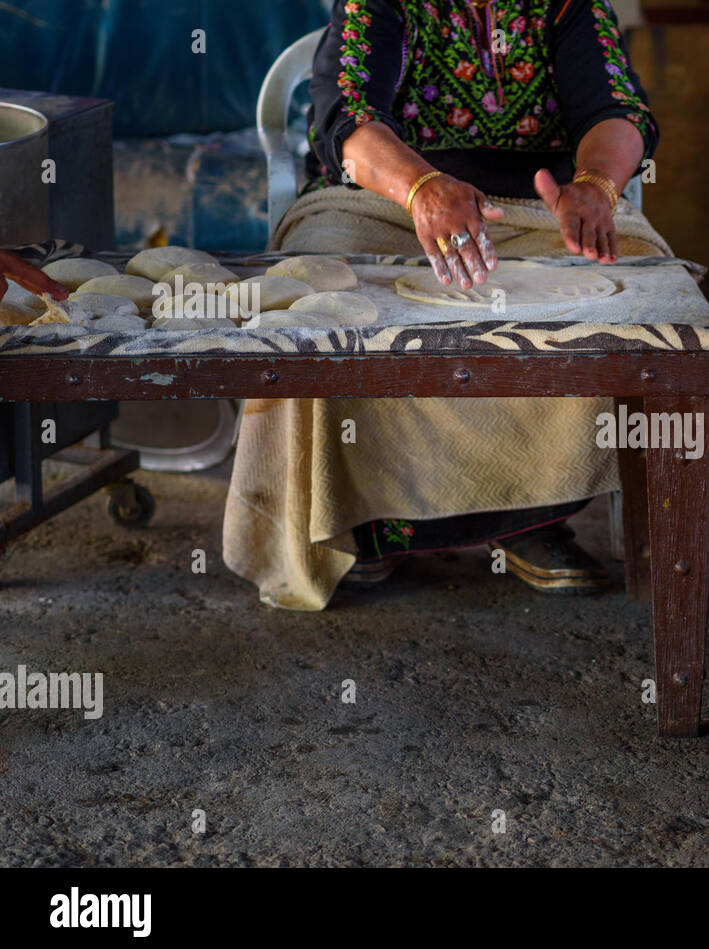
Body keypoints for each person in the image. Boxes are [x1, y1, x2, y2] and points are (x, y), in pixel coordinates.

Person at [222, 0, 671, 610]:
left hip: (535, 209)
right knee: (323, 301)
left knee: (635, 290)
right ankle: (358, 525)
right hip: (382, 201)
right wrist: (422, 186)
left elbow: (616, 111)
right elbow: (345, 116)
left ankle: (533, 517)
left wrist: (594, 184)